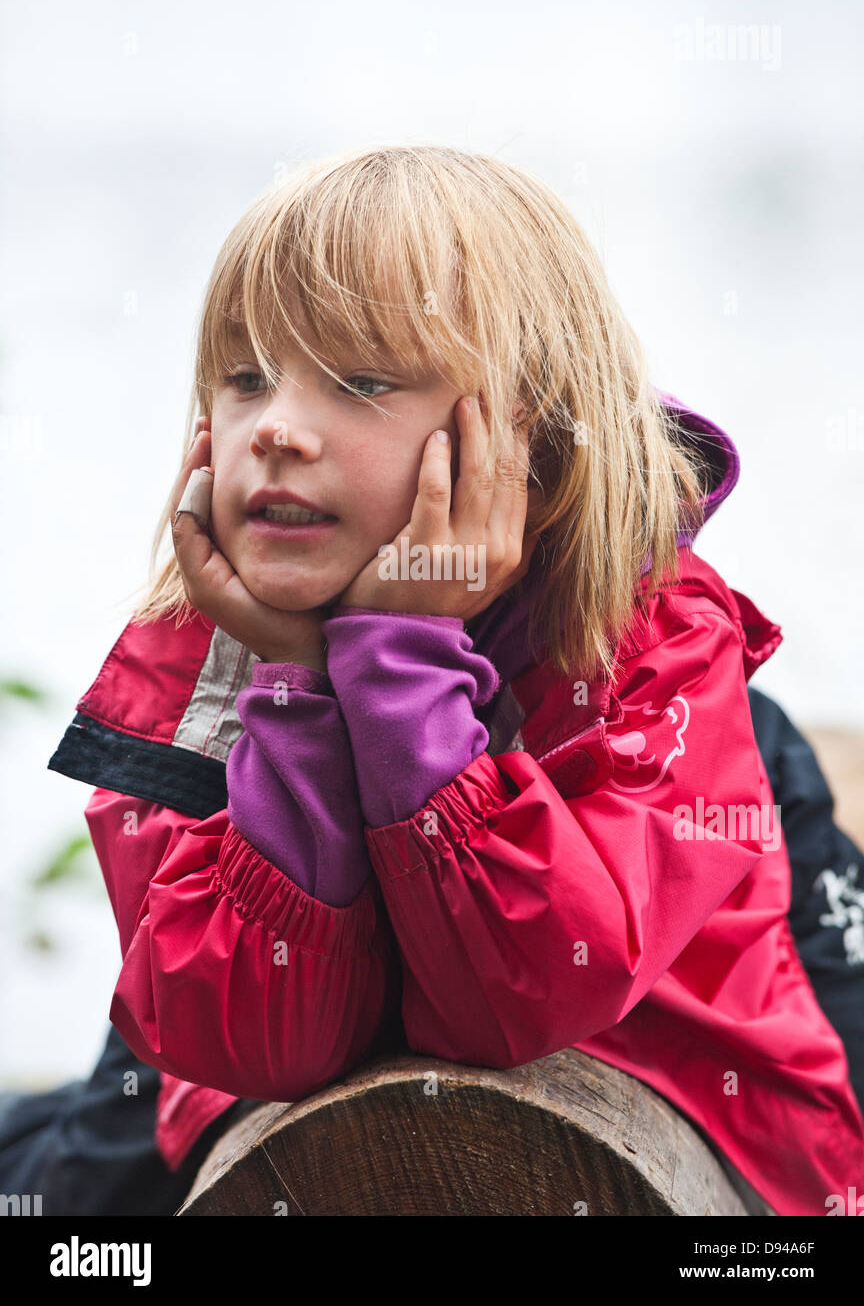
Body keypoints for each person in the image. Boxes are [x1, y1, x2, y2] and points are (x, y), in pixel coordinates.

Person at [3, 145, 862, 1218]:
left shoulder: (658, 652)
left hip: (684, 1032)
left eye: (362, 382)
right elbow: (254, 1037)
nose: (274, 427)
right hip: (295, 1057)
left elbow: (515, 997)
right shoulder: (206, 657)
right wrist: (296, 688)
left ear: (530, 455)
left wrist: (399, 654)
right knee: (65, 1187)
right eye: (247, 375)